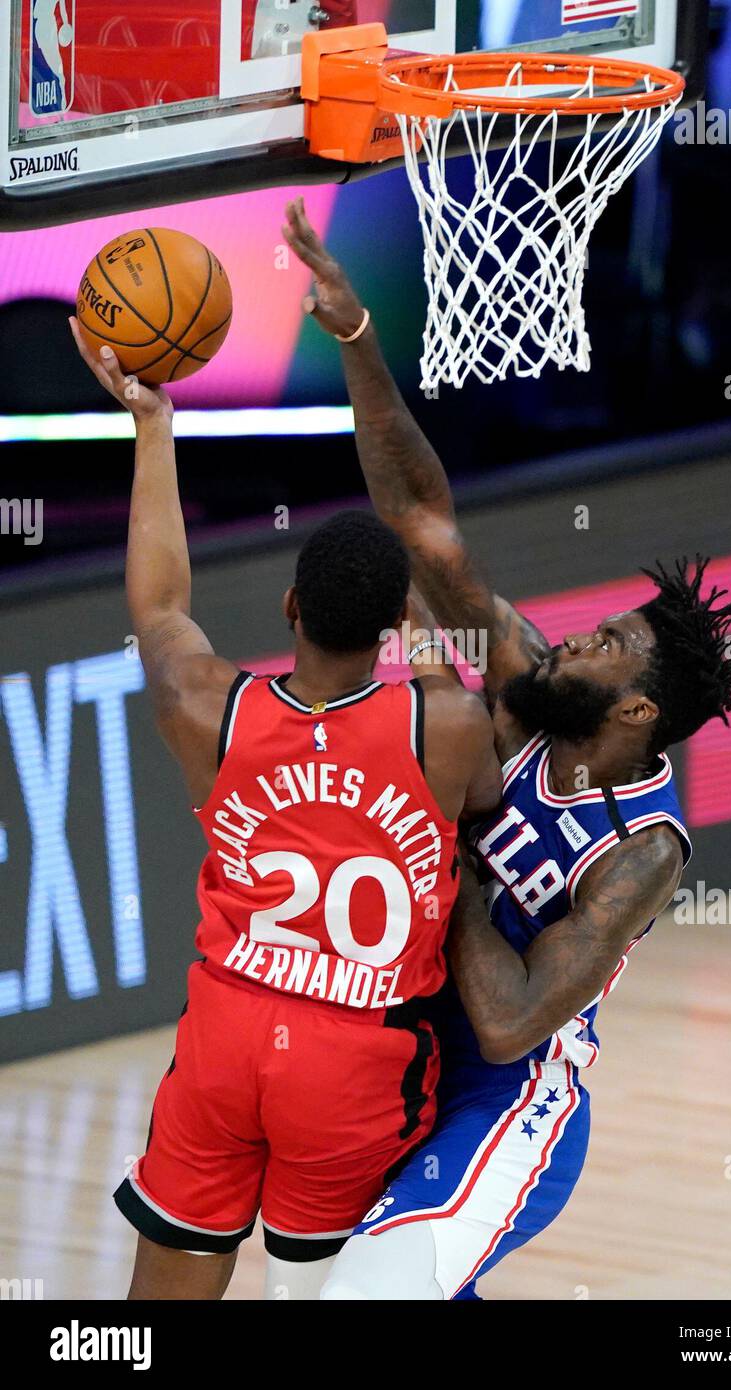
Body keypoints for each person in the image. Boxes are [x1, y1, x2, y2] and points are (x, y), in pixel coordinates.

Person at [282, 199, 731, 1299]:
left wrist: (446, 828)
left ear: (637, 712)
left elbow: (505, 1025)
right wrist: (358, 339)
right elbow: (421, 521)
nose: (578, 635)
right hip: (397, 1051)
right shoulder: (522, 679)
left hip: (506, 1102)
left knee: (364, 1294)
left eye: (608, 644)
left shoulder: (640, 849)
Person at [68, 317, 502, 1300]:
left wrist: (151, 424)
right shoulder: (443, 725)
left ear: (289, 609)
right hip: (352, 1067)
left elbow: (160, 606)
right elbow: (473, 785)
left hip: (224, 1038)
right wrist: (409, 619)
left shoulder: (207, 709)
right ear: (393, 626)